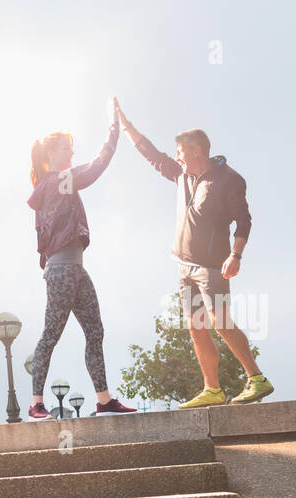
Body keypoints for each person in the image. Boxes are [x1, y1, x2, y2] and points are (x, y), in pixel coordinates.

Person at [116, 104, 272, 407]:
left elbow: (244, 220)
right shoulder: (182, 176)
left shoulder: (228, 180)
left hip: (213, 265)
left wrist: (236, 256)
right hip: (184, 266)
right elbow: (152, 155)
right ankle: (212, 389)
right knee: (196, 326)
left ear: (197, 151)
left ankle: (256, 379)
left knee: (219, 320)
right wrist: (126, 125)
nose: (176, 157)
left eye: (180, 152)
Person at [27, 97, 136, 419]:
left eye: (72, 150)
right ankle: (36, 402)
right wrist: (113, 128)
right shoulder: (59, 180)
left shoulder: (56, 182)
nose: (72, 154)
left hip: (75, 269)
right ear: (50, 155)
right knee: (50, 335)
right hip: (62, 271)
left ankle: (103, 400)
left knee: (95, 332)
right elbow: (99, 164)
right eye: (66, 149)